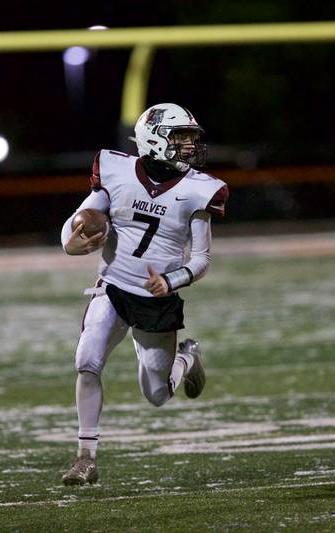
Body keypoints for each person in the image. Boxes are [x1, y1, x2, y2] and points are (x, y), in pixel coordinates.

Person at [59, 103, 229, 485]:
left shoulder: (200, 189)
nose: (189, 146)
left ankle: (186, 358)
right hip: (114, 287)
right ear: (154, 137)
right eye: (180, 137)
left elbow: (201, 259)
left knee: (156, 393)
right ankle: (86, 457)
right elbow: (79, 220)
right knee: (86, 360)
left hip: (155, 299)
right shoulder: (116, 170)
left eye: (191, 139)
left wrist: (172, 281)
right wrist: (70, 242)